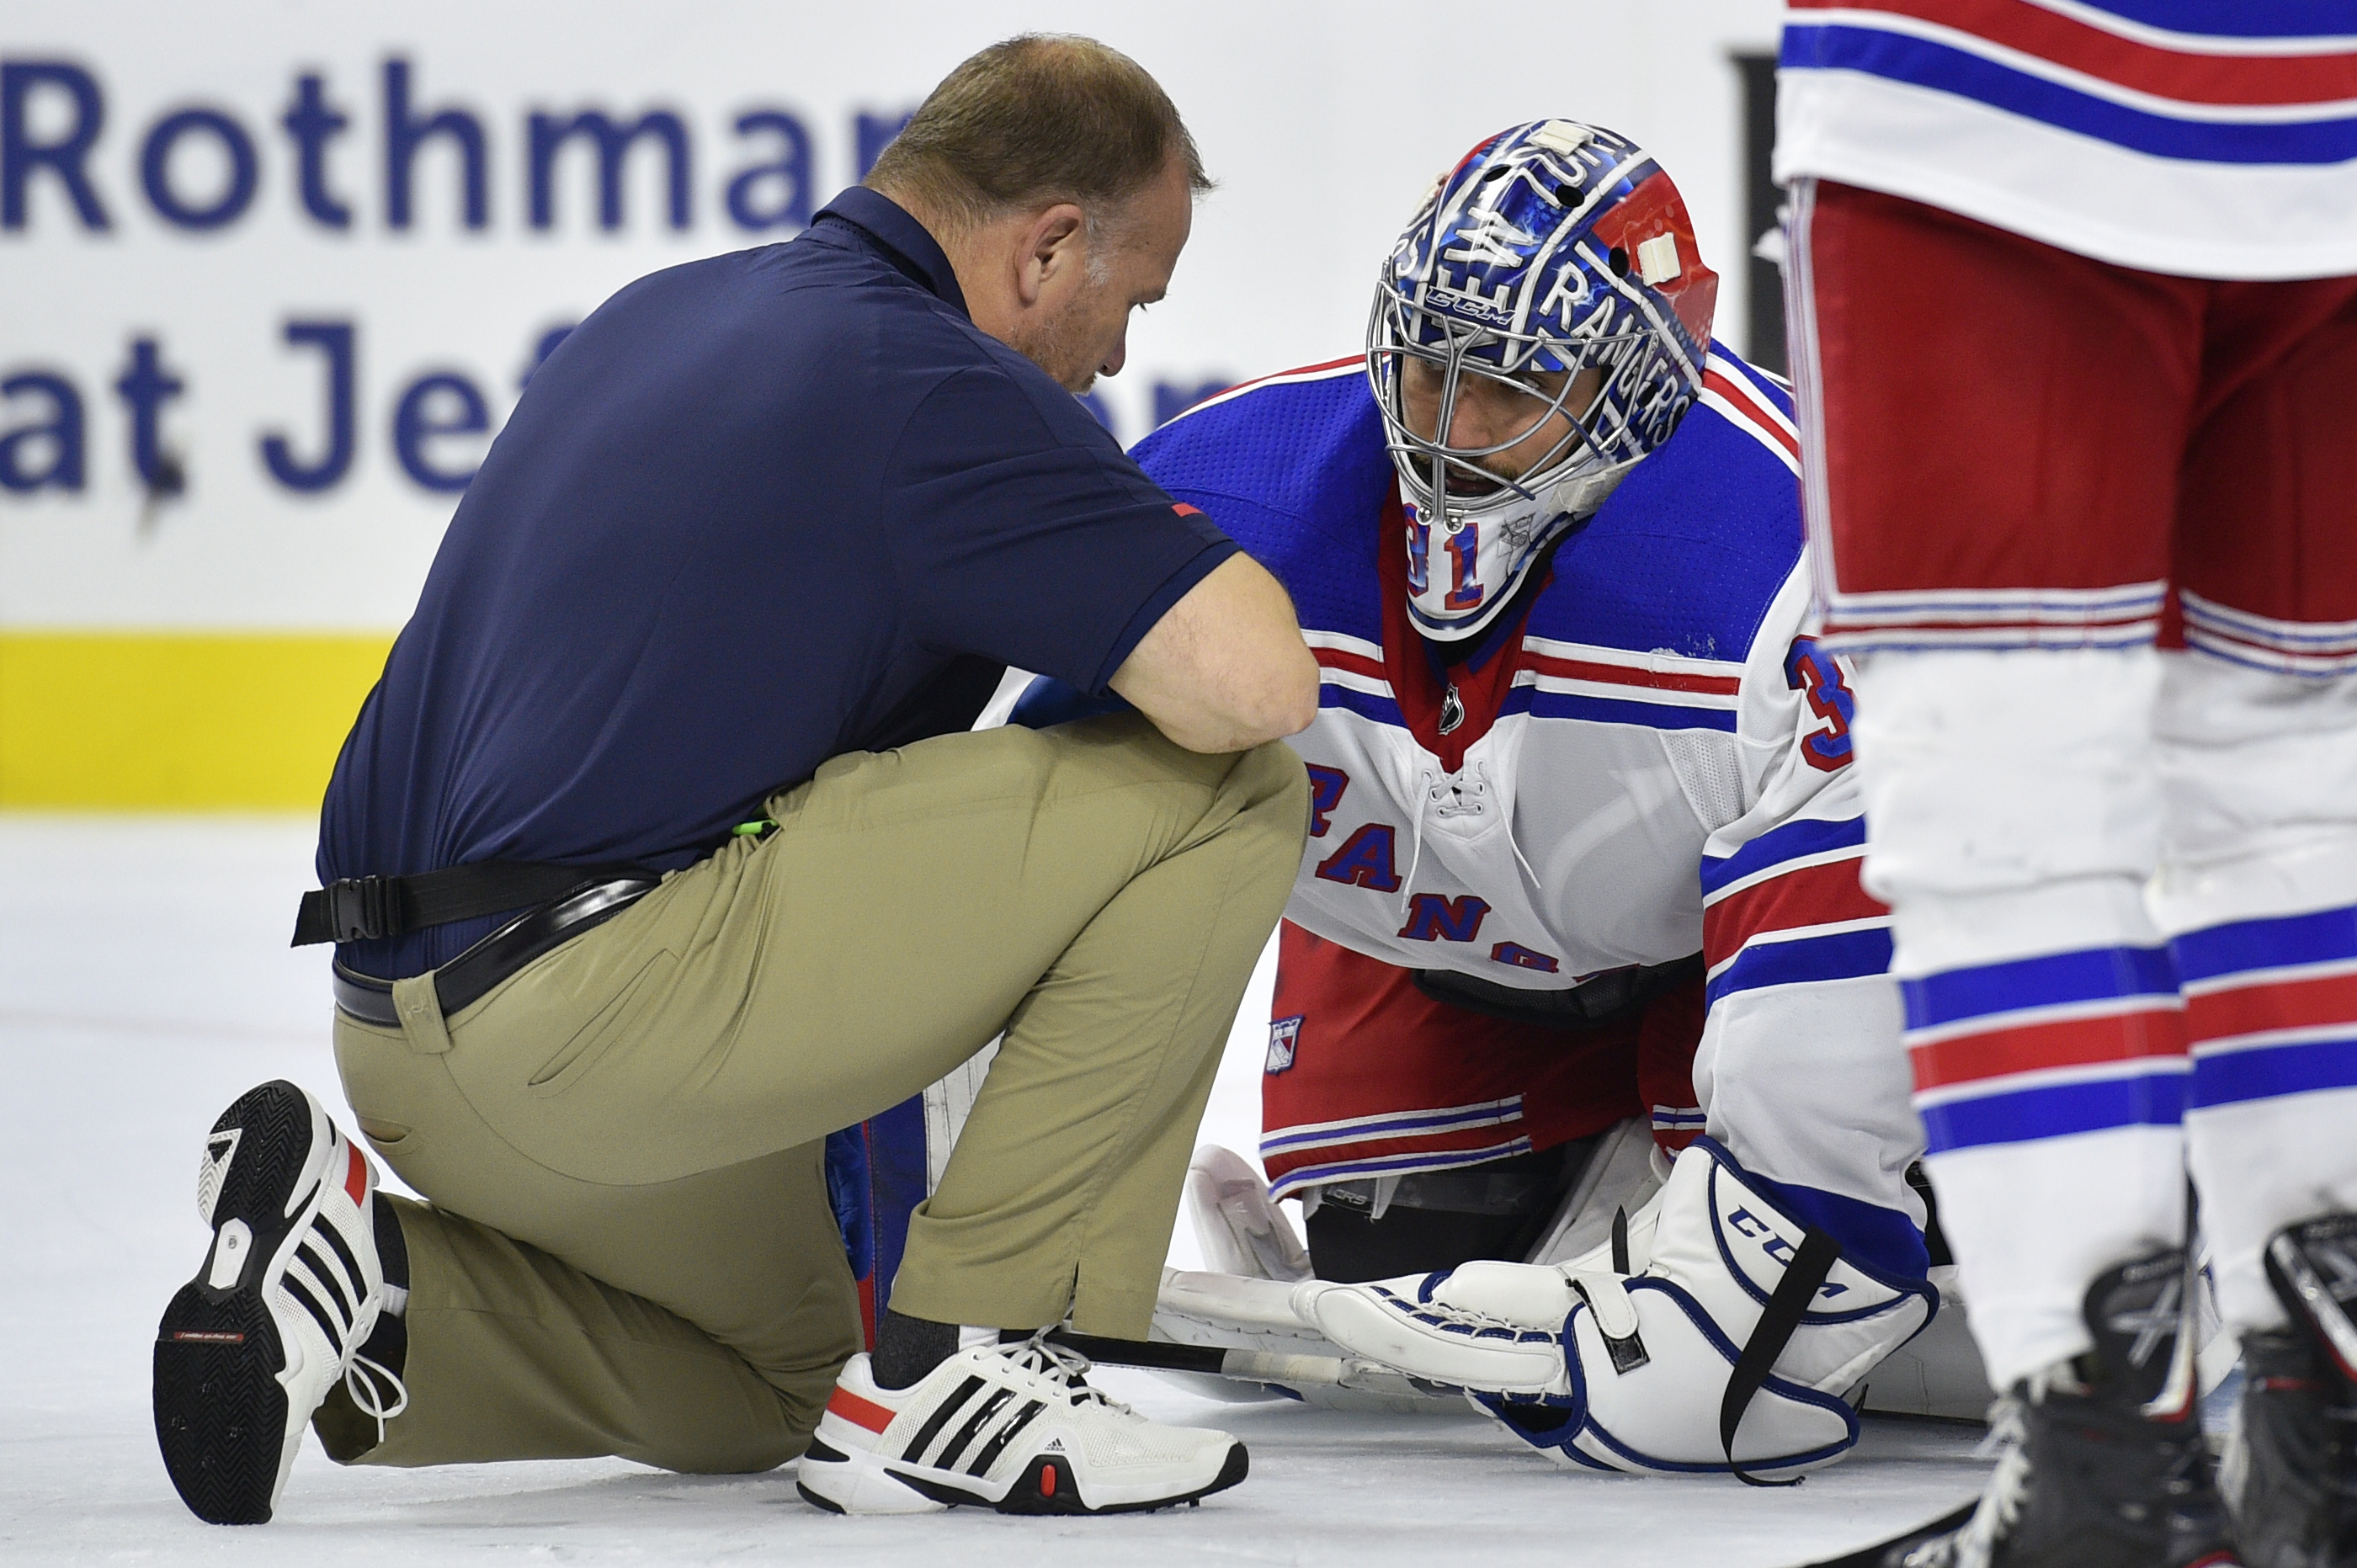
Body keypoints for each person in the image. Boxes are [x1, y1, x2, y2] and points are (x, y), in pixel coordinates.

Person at [149, 35, 1318, 1527]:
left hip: (402, 1045)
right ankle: (979, 1358)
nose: (1115, 359)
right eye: (1131, 300)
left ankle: (374, 1292)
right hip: (606, 1011)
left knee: (793, 1379)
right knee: (1227, 797)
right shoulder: (934, 386)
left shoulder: (658, 313)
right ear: (1049, 249)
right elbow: (1254, 684)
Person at [1018, 120, 1947, 1479]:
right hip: (1417, 962)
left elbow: (1894, 871)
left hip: (1723, 968)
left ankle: (1717, 1178)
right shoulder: (1215, 495)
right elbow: (1005, 847)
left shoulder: (1802, 550)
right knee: (1400, 1283)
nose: (1448, 438)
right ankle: (1610, 1191)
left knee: (1811, 1304)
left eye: (1511, 391)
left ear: (1642, 385)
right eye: (1429, 370)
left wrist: (1808, 1229)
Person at [1774, 6, 2357, 1565]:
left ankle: (2100, 1482)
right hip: (2326, 112)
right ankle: (2331, 1449)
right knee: (2295, 785)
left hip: (1992, 98)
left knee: (1999, 789)